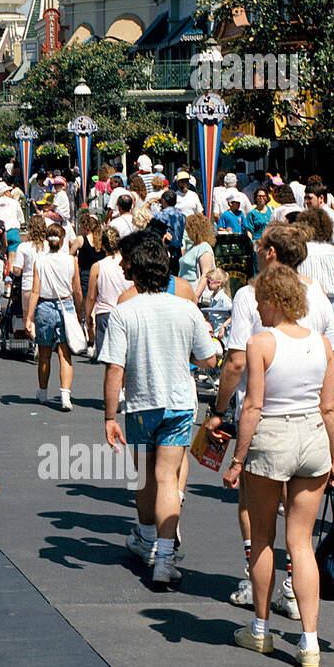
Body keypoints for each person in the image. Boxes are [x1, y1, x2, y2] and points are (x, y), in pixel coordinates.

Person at [206, 224, 334, 612]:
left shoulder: (251, 294)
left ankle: (256, 589)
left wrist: (218, 410)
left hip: (264, 416)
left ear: (270, 254)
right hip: (312, 419)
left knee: (253, 512)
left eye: (261, 245)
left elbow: (235, 362)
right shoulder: (321, 298)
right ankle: (296, 593)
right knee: (300, 527)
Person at [221, 266, 334, 667]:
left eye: (261, 299)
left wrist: (237, 459)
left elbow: (253, 406)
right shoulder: (322, 344)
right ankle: (309, 641)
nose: (256, 305)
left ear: (275, 300)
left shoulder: (261, 343)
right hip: (312, 438)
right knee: (302, 542)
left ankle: (261, 629)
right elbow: (329, 408)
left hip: (272, 438)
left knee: (263, 537)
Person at [101, 237, 221, 586]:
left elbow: (114, 369)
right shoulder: (186, 308)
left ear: (135, 272)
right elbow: (209, 359)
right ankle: (165, 557)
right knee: (169, 478)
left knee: (145, 477)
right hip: (180, 401)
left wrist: (109, 416)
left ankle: (147, 538)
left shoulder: (125, 311)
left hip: (141, 403)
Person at [26, 223, 83, 410]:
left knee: (44, 353)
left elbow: (35, 291)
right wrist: (80, 313)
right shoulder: (71, 261)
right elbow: (77, 290)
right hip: (66, 305)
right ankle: (65, 395)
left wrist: (29, 317)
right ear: (63, 239)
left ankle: (43, 392)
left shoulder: (40, 261)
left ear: (46, 240)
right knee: (64, 353)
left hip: (44, 305)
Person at [84, 226, 125, 360]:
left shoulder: (98, 266)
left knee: (107, 359)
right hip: (125, 311)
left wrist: (88, 314)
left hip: (104, 313)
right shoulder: (127, 263)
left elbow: (91, 296)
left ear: (102, 245)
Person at [178, 214, 217, 298]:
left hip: (195, 294)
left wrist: (196, 296)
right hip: (184, 293)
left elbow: (205, 274)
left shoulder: (204, 247)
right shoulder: (192, 247)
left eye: (188, 228)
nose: (186, 231)